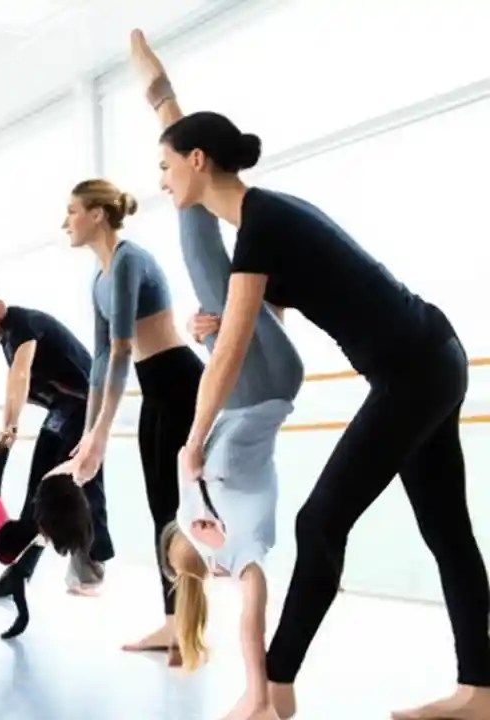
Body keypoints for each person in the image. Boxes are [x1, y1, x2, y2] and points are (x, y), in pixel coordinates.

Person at [152, 52, 490, 720]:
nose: (161, 181)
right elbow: (260, 318)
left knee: (321, 521)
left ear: (196, 160)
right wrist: (216, 324)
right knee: (447, 529)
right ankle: (480, 692)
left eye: (164, 166)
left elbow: (235, 352)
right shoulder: (268, 221)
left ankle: (274, 689)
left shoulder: (262, 223)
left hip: (414, 370)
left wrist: (193, 442)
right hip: (429, 357)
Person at [128, 30, 304, 720]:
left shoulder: (195, 515)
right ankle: (166, 105)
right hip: (261, 387)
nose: (185, 542)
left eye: (179, 546)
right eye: (183, 554)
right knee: (197, 241)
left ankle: (167, 105)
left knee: (200, 253)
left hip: (250, 384)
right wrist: (257, 690)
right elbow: (252, 611)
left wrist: (214, 334)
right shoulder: (237, 549)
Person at [59, 174, 202, 664]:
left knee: (181, 508)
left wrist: (101, 434)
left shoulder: (127, 261)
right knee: (160, 507)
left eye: (73, 211)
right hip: (154, 389)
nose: (66, 223)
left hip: (181, 382)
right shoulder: (98, 277)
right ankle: (173, 623)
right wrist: (87, 433)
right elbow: (101, 358)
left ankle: (191, 627)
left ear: (98, 214)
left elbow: (122, 349)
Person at [0, 284, 114, 597]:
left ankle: (91, 570)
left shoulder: (23, 324)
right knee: (39, 488)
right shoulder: (7, 337)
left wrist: (9, 427)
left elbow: (20, 375)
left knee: (79, 483)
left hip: (86, 405)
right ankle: (22, 569)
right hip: (62, 408)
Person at [0, 444, 85, 640]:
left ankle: (22, 616)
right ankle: (63, 536)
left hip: (3, 549)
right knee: (42, 516)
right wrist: (3, 448)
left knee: (19, 574)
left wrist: (1, 449)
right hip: (8, 539)